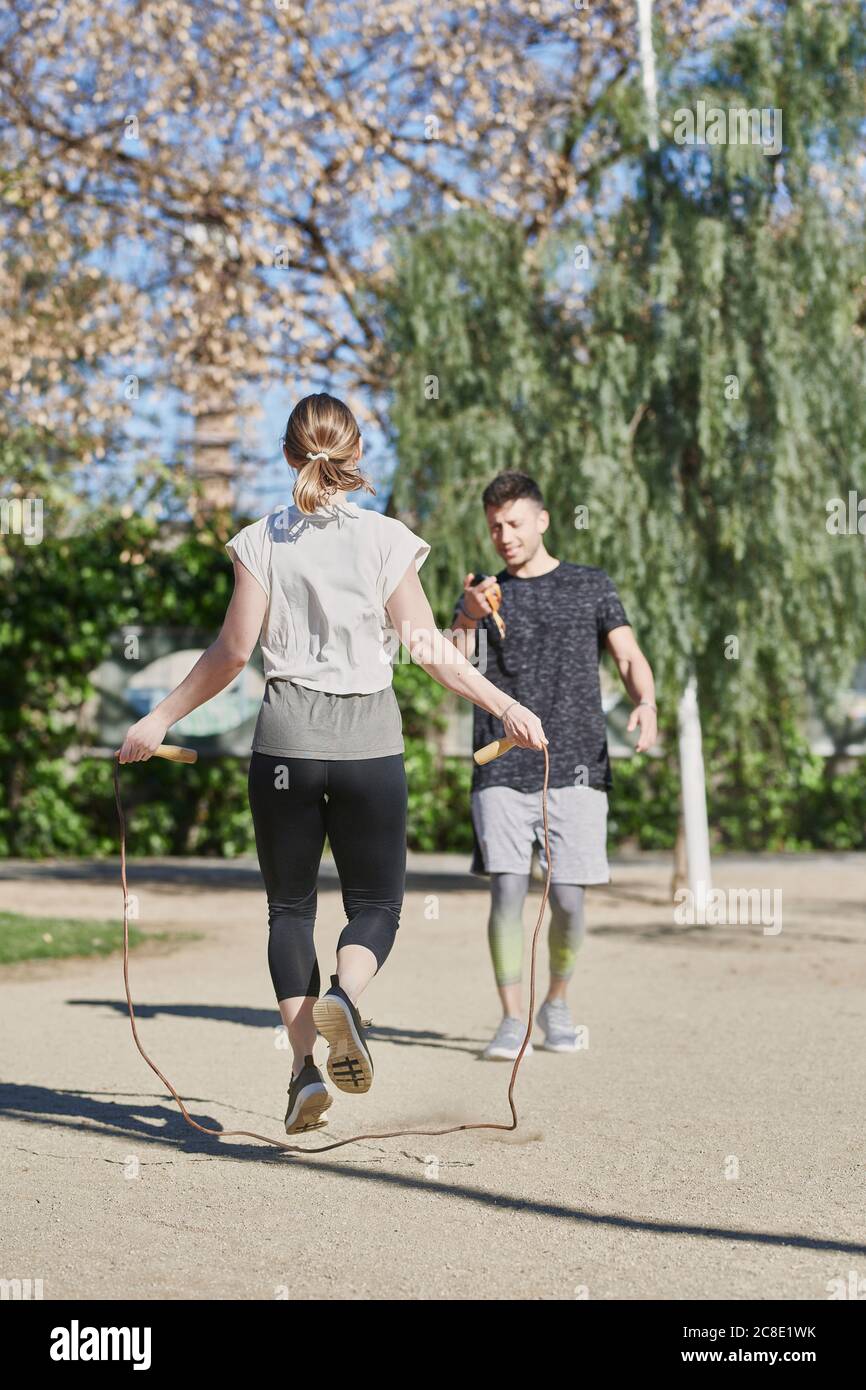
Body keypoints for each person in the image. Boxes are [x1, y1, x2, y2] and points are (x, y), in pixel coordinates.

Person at [117, 395, 547, 1133]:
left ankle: (301, 1070)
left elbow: (231, 654)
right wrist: (503, 704)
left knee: (289, 910)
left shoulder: (262, 540)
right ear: (355, 457)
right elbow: (426, 650)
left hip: (285, 742)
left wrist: (159, 716)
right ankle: (346, 995)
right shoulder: (385, 538)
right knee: (376, 908)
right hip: (366, 745)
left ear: (291, 456)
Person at [450, 471, 657, 1061]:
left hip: (579, 765)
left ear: (542, 520)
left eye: (514, 523)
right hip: (501, 760)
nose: (504, 536)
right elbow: (454, 665)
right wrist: (466, 614)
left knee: (568, 898)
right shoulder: (483, 595)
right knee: (507, 892)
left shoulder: (591, 585)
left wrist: (646, 701)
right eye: (494, 526)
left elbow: (628, 654)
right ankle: (512, 1018)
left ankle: (557, 1003)